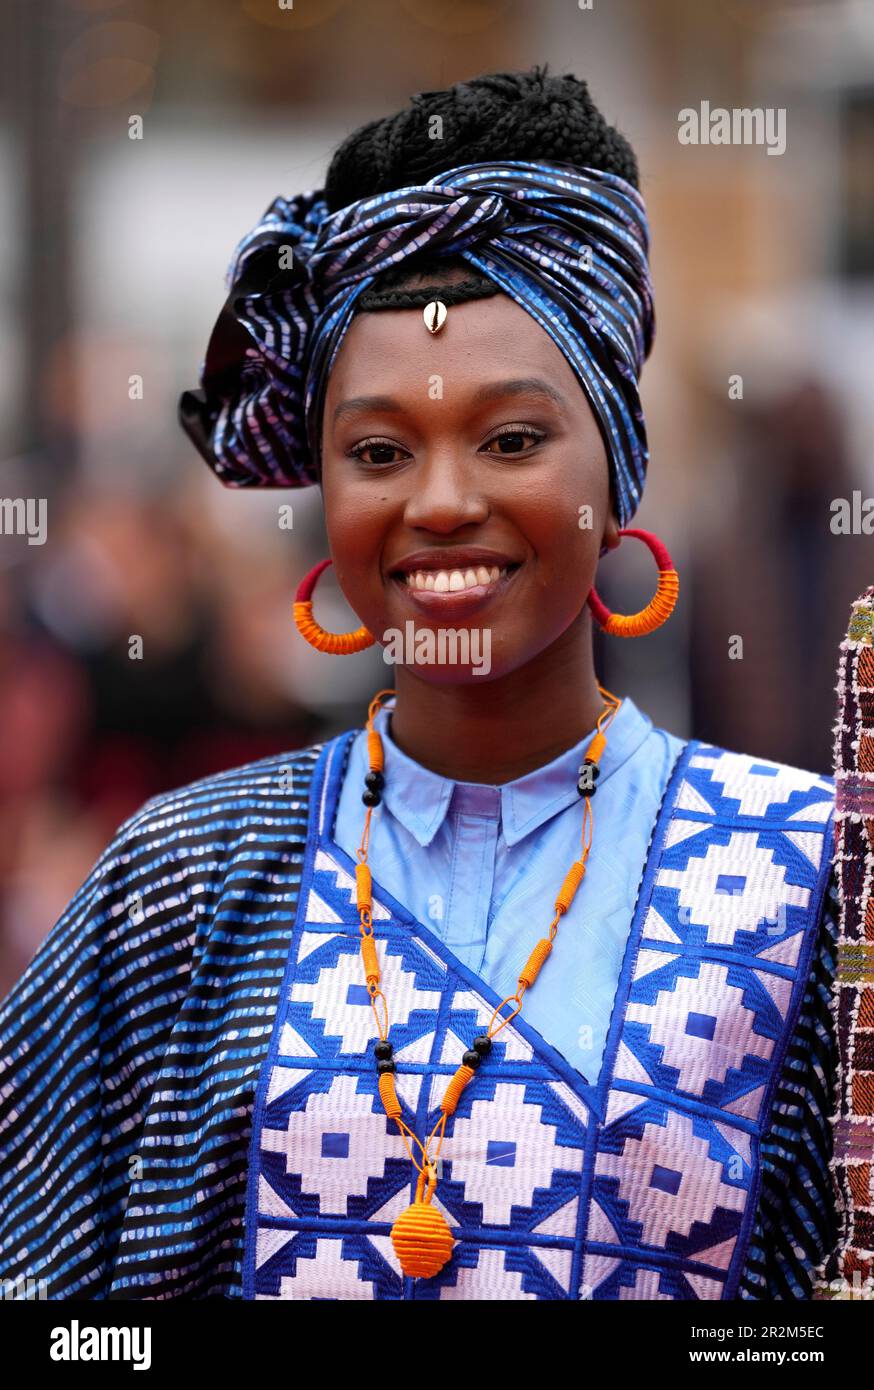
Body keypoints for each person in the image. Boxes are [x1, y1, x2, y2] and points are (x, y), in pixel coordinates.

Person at [0, 67, 849, 1302]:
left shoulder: (803, 873)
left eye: (511, 440)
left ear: (615, 471)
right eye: (379, 452)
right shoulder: (182, 881)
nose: (441, 505)